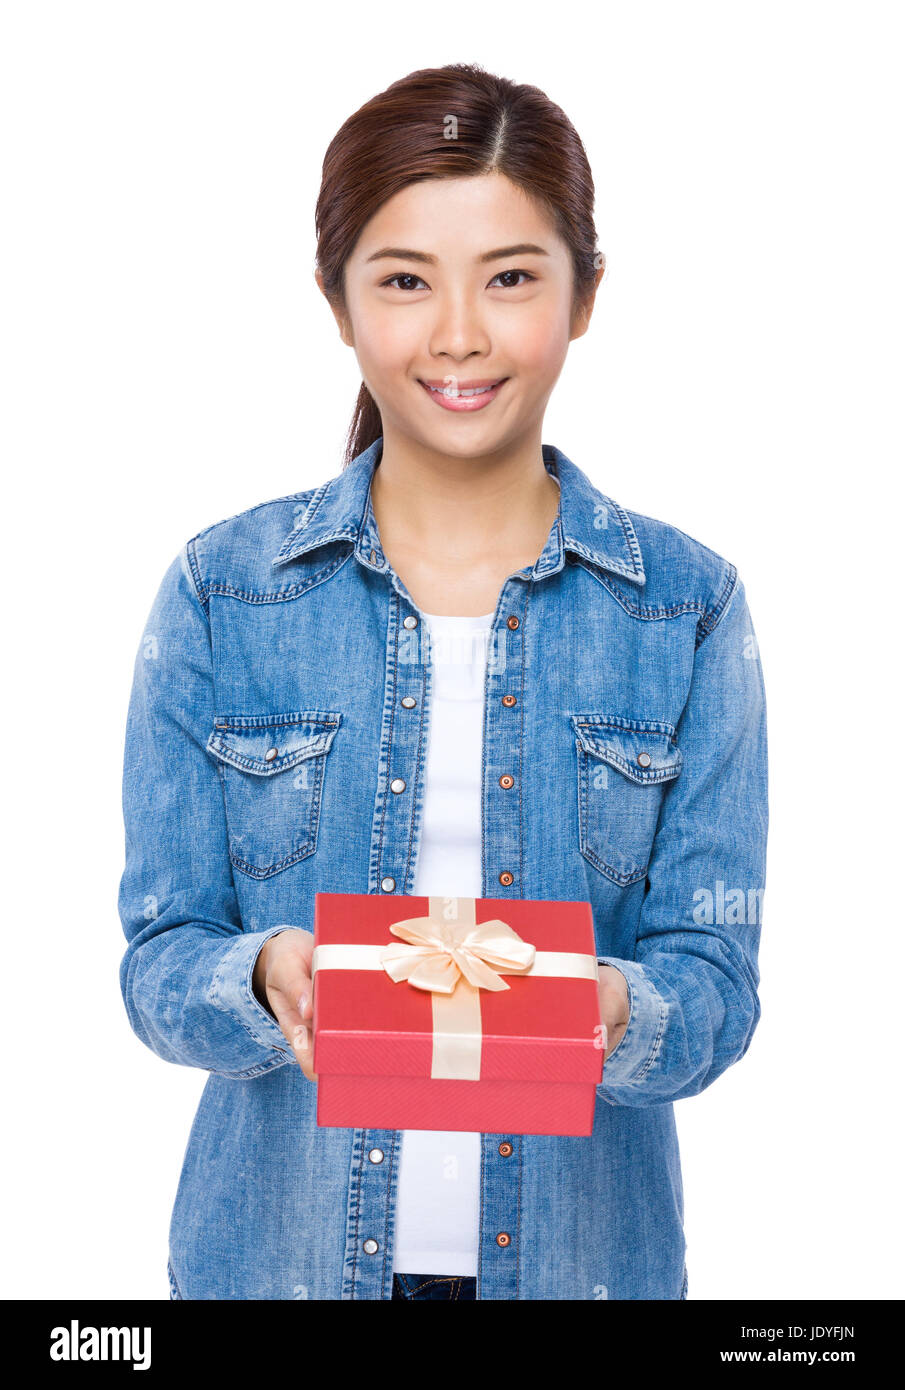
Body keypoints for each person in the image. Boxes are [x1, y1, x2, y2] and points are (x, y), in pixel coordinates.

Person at [118, 62, 768, 1301]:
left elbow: (718, 990)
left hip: (583, 1271)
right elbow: (159, 962)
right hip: (281, 1269)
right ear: (336, 299)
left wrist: (609, 1005)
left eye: (511, 277)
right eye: (405, 280)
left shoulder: (686, 609)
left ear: (582, 298)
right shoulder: (224, 592)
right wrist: (263, 978)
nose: (458, 333)